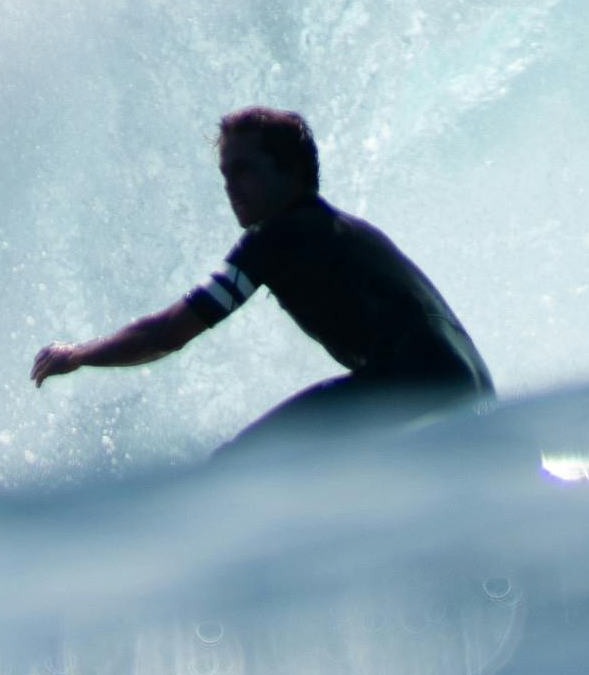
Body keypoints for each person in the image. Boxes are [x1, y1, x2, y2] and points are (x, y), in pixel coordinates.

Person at [32, 106, 491, 448]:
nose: (230, 186)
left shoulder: (279, 236)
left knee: (244, 465)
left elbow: (169, 332)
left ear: (290, 171)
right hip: (474, 392)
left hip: (414, 385)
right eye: (225, 174)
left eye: (244, 170)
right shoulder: (339, 230)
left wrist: (79, 355)